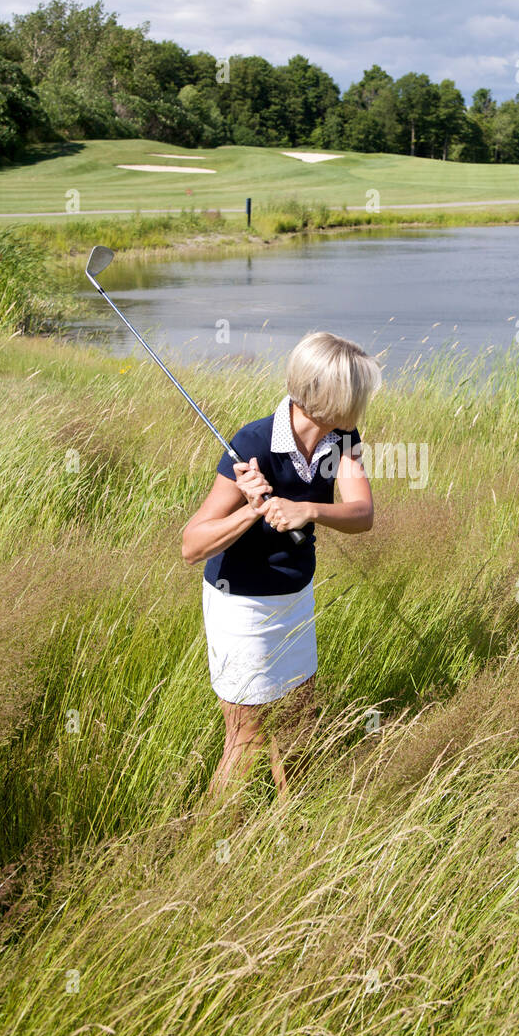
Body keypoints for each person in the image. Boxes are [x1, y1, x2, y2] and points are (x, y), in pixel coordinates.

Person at [182, 331, 380, 800]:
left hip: (295, 598)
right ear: (329, 396)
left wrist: (306, 510)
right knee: (246, 743)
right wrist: (253, 508)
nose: (365, 400)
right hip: (243, 607)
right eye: (359, 391)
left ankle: (290, 827)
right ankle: (211, 839)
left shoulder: (342, 437)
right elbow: (192, 545)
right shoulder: (253, 445)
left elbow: (362, 515)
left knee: (298, 726)